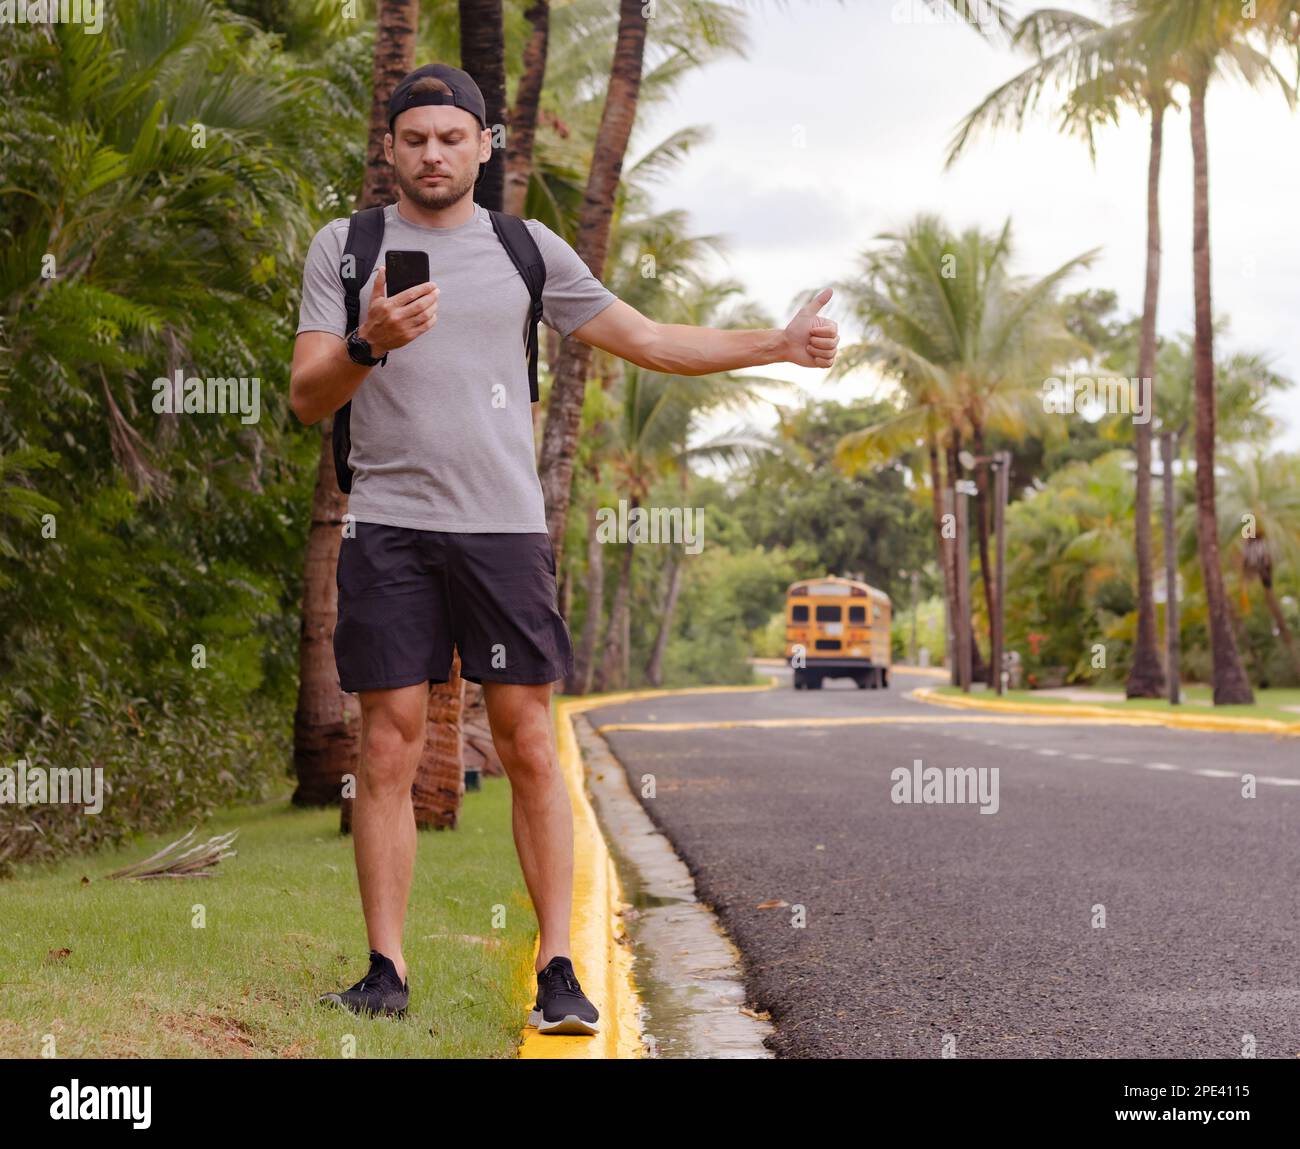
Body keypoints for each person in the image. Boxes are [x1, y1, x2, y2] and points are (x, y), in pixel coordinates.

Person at [292, 62, 839, 1036]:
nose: (431, 153)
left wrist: (779, 345)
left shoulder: (525, 249)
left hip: (503, 531)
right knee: (387, 742)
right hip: (390, 529)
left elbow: (651, 339)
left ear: (482, 147)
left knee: (530, 743)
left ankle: (556, 966)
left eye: (449, 138)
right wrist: (369, 340)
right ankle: (385, 967)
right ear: (389, 150)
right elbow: (305, 397)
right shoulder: (347, 246)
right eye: (413, 138)